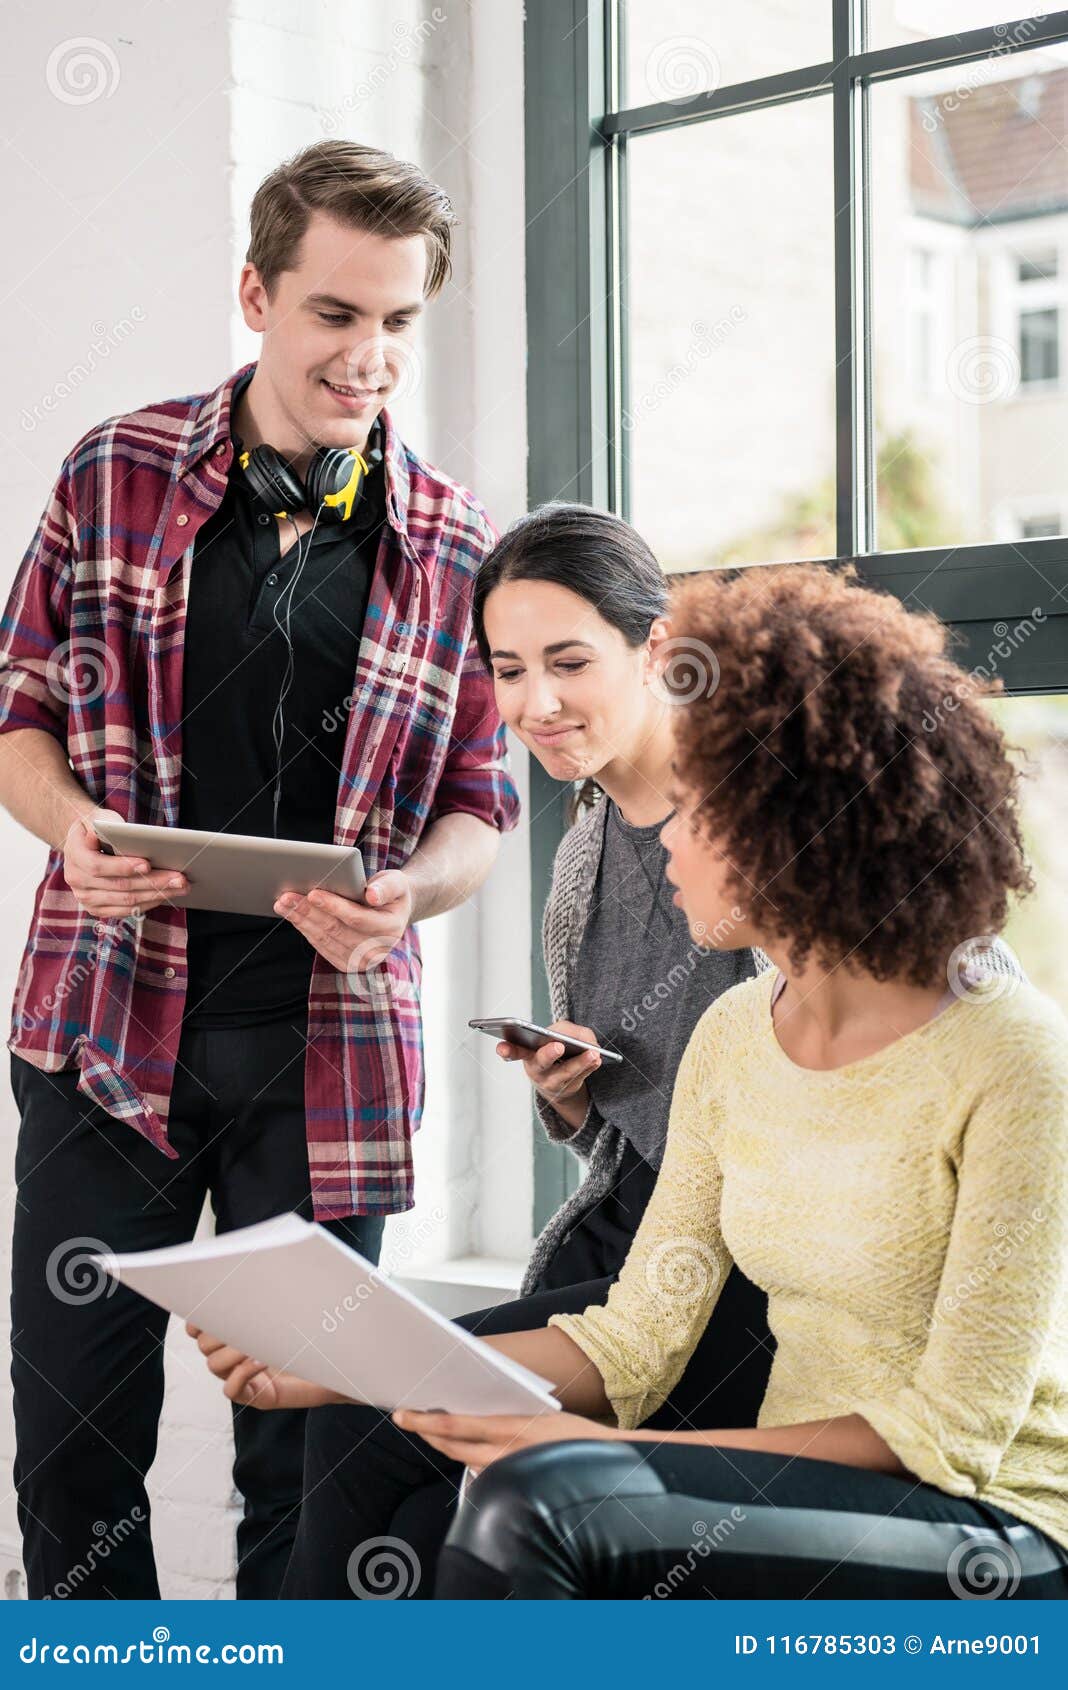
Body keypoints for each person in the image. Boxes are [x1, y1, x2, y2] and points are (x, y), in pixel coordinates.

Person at [211, 563, 1068, 1600]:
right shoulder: (736, 1033)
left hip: (990, 1526)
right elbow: (637, 1332)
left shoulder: (1014, 1059)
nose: (667, 837)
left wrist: (589, 1448)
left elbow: (953, 1433)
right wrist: (339, 1359)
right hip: (803, 1489)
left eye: (698, 804)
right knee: (427, 1442)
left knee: (550, 1497)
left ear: (787, 820)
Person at [0, 139, 519, 1600]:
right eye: (337, 313)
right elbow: (18, 709)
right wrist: (71, 829)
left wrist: (415, 890)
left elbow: (484, 802)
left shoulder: (454, 541)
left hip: (328, 1053)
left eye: (400, 320)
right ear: (258, 294)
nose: (370, 356)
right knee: (73, 1433)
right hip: (106, 1032)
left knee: (311, 1451)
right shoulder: (116, 471)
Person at [193, 504, 773, 1598]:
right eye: (506, 670)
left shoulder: (764, 821)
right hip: (627, 1221)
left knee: (387, 1422)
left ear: (654, 650)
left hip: (741, 1250)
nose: (534, 706)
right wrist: (570, 1089)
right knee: (374, 1426)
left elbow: (841, 1063)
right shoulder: (582, 854)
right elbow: (619, 1116)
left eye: (568, 662)